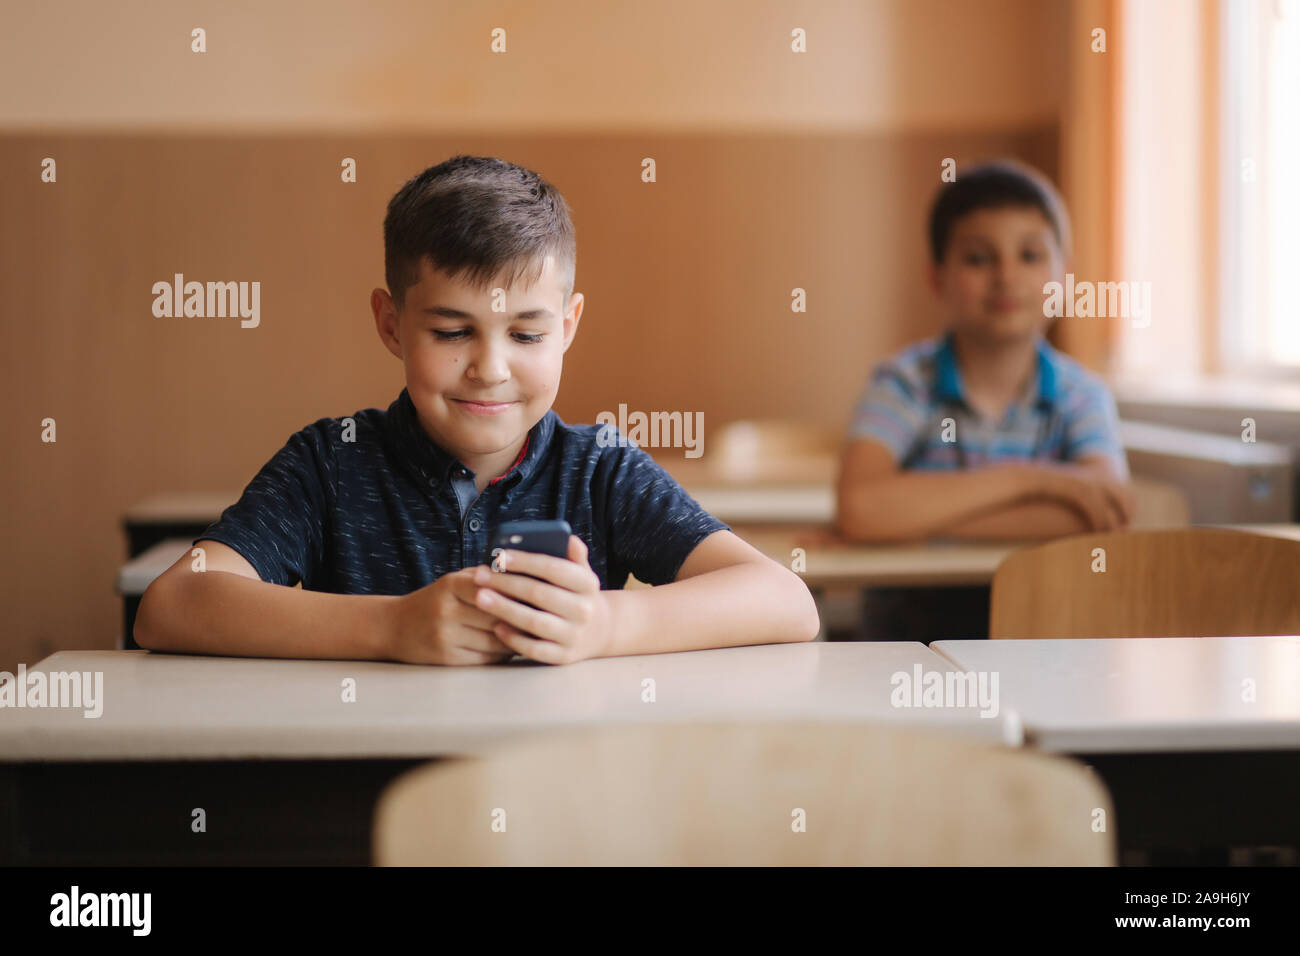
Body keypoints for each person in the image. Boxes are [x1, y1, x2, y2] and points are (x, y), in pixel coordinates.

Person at [136, 155, 819, 665]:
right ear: (391, 322)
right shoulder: (330, 461)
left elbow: (786, 601)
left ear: (569, 326)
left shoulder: (600, 468)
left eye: (526, 334)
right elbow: (170, 605)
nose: (490, 368)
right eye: (452, 332)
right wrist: (392, 628)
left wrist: (607, 627)